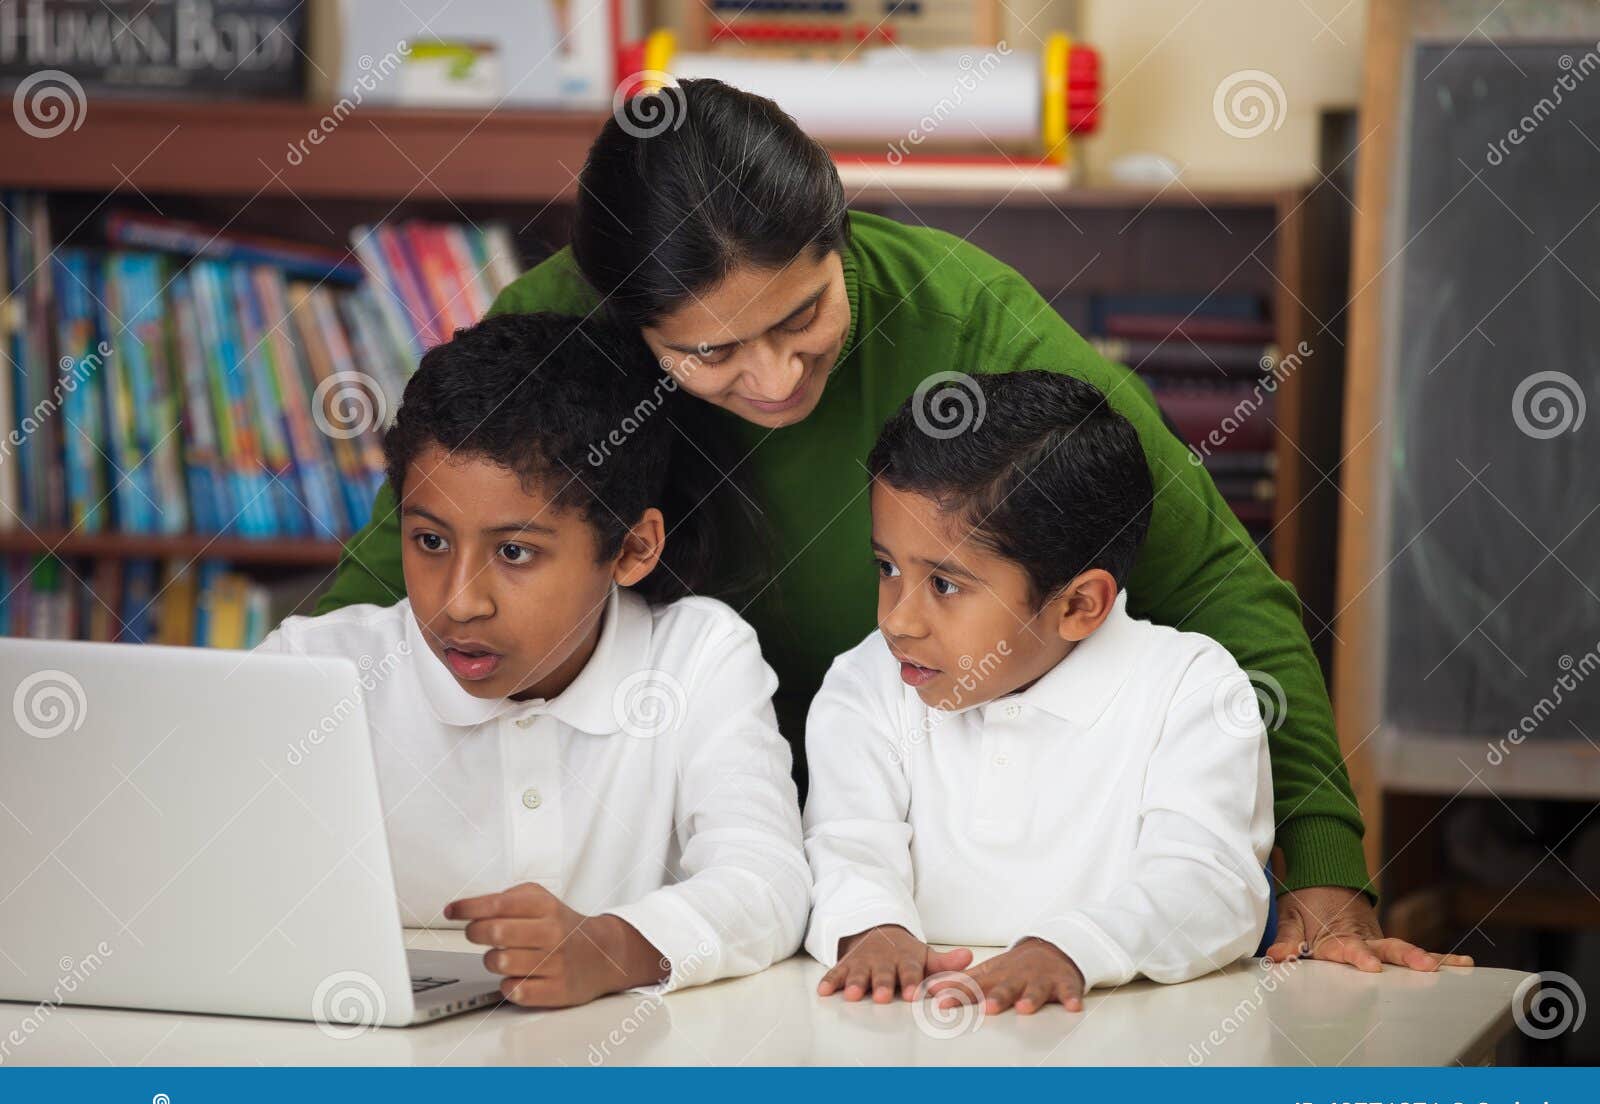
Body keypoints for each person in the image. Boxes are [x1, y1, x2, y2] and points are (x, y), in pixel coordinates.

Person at [317, 77, 1460, 973]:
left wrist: (1322, 876)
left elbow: (1212, 580)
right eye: (711, 353)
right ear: (625, 320)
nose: (772, 377)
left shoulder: (970, 316)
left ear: (841, 233)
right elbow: (386, 590)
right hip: (682, 858)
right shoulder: (556, 328)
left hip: (924, 844)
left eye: (804, 313)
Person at [256, 313, 810, 1006]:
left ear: (633, 549)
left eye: (514, 552)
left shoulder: (697, 658)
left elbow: (768, 880)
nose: (459, 602)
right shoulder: (311, 671)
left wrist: (612, 947)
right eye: (429, 541)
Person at [807, 373, 1277, 1014]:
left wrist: (1069, 949)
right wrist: (872, 926)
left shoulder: (1189, 689)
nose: (897, 620)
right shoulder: (867, 682)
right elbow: (844, 844)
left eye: (945, 585)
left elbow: (1208, 885)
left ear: (1081, 605)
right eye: (887, 568)